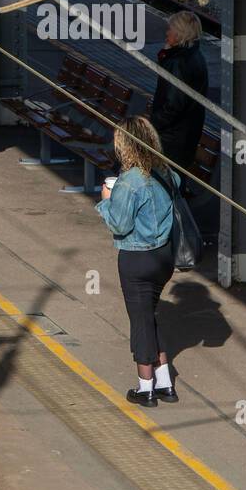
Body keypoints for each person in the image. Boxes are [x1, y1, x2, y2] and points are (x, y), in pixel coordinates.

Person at [96, 116, 179, 407]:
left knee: (140, 323)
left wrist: (106, 199)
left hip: (137, 259)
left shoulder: (130, 181)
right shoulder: (165, 172)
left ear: (125, 145)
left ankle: (146, 388)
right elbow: (176, 186)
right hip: (163, 257)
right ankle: (165, 383)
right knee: (149, 315)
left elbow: (119, 224)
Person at [150, 11, 209, 186]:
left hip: (171, 137)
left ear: (179, 33)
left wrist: (152, 125)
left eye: (170, 29)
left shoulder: (178, 62)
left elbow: (173, 104)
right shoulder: (195, 56)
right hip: (185, 134)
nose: (167, 33)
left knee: (163, 182)